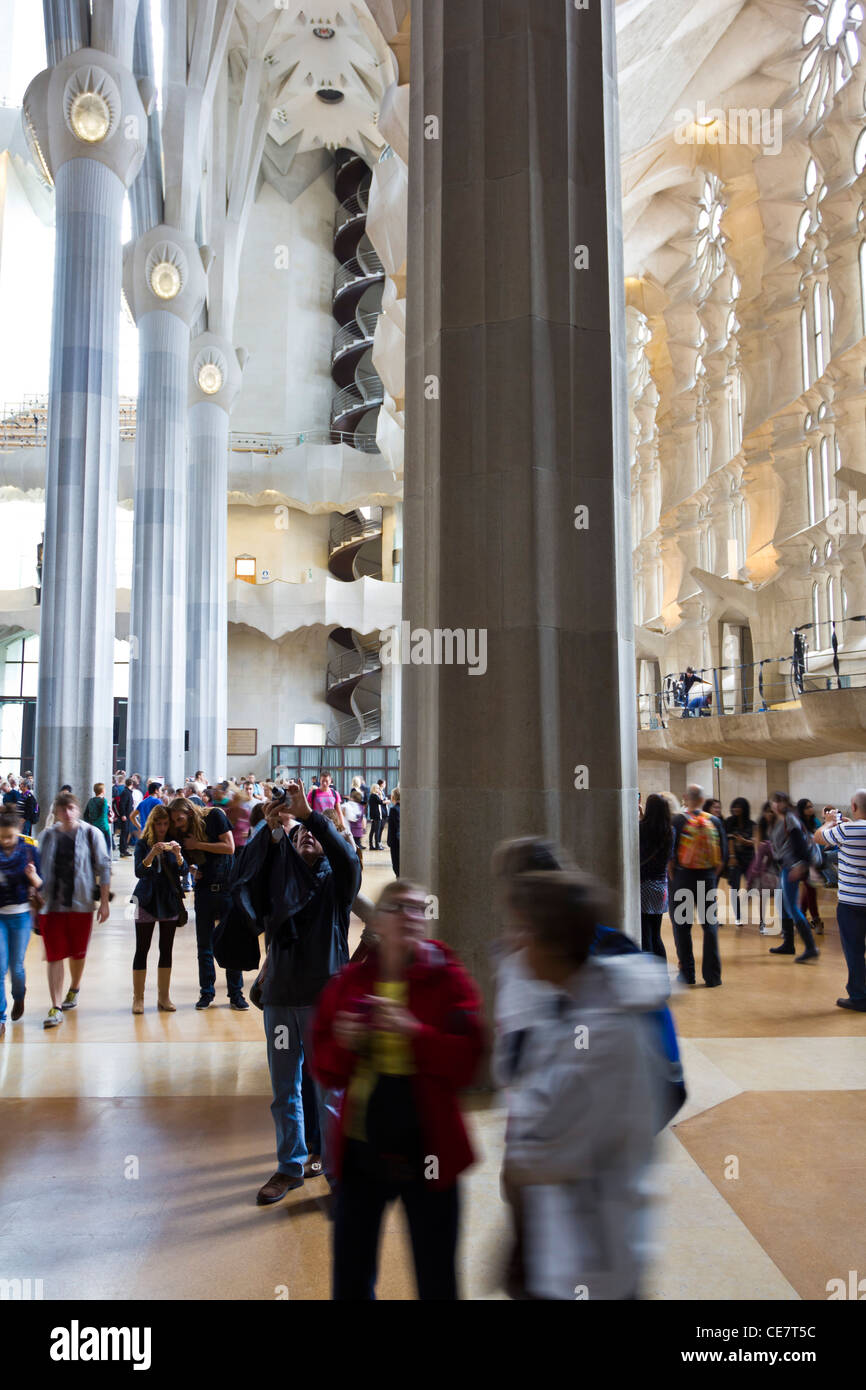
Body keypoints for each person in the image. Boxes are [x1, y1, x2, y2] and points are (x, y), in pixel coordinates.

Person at [313, 878, 484, 1300]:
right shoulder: (350, 982)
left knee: (437, 1276)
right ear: (378, 923)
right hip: (362, 1153)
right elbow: (323, 1066)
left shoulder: (445, 975)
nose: (411, 917)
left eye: (419, 909)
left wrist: (415, 1033)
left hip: (430, 1150)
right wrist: (345, 1045)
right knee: (351, 1278)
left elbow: (471, 1061)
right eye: (400, 908)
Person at [498, 869, 664, 1300]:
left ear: (546, 939)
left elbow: (540, 1153)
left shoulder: (603, 1034)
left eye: (522, 929)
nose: (513, 942)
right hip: (563, 1241)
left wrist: (520, 1159)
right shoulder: (569, 1002)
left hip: (592, 1260)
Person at [247, 780, 361, 1206]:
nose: (306, 837)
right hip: (279, 1000)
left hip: (321, 1001)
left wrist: (310, 815)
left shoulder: (337, 889)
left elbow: (347, 859)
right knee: (284, 1089)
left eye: (312, 833)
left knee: (329, 1090)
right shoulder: (278, 887)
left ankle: (335, 1171)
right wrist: (271, 826)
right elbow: (250, 871)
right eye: (299, 836)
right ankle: (290, 1166)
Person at [37, 792, 111, 1028]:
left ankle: (75, 987)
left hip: (81, 905)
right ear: (56, 812)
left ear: (78, 809)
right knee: (55, 955)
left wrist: (106, 903)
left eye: (71, 808)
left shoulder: (91, 833)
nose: (67, 813)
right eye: (62, 809)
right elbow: (38, 869)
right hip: (51, 906)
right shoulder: (47, 836)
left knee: (78, 953)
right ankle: (55, 1006)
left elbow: (104, 866)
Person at [168, 796, 246, 1010]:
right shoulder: (183, 832)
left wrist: (197, 844)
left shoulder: (215, 816)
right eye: (174, 821)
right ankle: (206, 993)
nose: (177, 824)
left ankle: (236, 994)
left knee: (230, 943)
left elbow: (229, 847)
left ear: (190, 813)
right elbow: (190, 861)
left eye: (179, 819)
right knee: (204, 945)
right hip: (204, 892)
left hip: (227, 890)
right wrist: (193, 868)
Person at [668, 784, 727, 987]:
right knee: (709, 926)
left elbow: (671, 855)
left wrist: (674, 877)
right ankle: (713, 976)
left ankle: (687, 974)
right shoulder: (715, 821)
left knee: (682, 928)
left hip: (683, 878)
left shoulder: (677, 821)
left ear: (685, 798)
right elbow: (723, 857)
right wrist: (711, 875)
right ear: (703, 800)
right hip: (707, 878)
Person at [131, 804, 187, 1013]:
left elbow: (182, 871)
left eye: (165, 824)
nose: (162, 828)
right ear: (152, 824)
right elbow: (139, 872)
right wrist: (152, 854)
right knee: (142, 948)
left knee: (166, 949)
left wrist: (179, 854)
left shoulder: (174, 843)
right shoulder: (142, 844)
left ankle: (164, 997)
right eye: (159, 824)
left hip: (169, 899)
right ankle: (138, 998)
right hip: (145, 899)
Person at [814, 794, 866, 1011]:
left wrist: (828, 822)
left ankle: (859, 996)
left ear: (853, 806)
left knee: (854, 950)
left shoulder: (846, 831)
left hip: (851, 903)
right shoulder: (850, 828)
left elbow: (818, 838)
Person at [0, 811, 41, 1036]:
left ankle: (19, 995)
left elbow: (40, 882)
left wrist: (33, 876)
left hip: (21, 914)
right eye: (2, 837)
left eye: (10, 837)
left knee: (15, 967)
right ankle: (0, 1016)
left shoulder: (29, 851)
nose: (6, 842)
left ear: (18, 832)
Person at [768, 792, 819, 963]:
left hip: (793, 867)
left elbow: (800, 843)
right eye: (775, 801)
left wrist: (802, 865)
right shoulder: (780, 820)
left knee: (792, 907)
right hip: (785, 867)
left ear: (786, 803)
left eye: (780, 801)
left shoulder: (790, 819)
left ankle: (811, 947)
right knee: (783, 905)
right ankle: (788, 944)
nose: (777, 804)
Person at [639, 793, 672, 960]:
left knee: (646, 934)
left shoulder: (641, 828)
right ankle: (663, 978)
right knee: (656, 934)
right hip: (661, 886)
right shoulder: (669, 831)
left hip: (644, 885)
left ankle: (649, 979)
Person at [724, 797, 755, 926]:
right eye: (734, 806)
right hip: (735, 860)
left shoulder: (752, 824)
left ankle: (744, 904)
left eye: (739, 806)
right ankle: (738, 916)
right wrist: (731, 857)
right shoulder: (729, 822)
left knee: (751, 887)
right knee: (734, 887)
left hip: (749, 859)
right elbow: (729, 840)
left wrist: (745, 842)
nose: (736, 809)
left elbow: (755, 841)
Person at [796, 798, 824, 934]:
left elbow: (821, 837)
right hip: (803, 861)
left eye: (811, 806)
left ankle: (800, 917)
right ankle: (816, 919)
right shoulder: (798, 824)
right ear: (801, 810)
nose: (811, 809)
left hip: (815, 859)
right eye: (807, 807)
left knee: (809, 890)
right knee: (811, 890)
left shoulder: (815, 822)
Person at [83, 782, 112, 856]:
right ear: (102, 790)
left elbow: (85, 814)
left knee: (94, 847)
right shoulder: (104, 801)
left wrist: (89, 823)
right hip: (104, 827)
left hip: (93, 827)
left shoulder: (91, 801)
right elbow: (104, 814)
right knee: (106, 847)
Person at [343, 789, 366, 868]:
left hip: (351, 831)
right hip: (359, 831)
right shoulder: (361, 807)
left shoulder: (348, 806)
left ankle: (351, 864)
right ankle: (359, 863)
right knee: (358, 849)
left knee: (350, 848)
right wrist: (364, 829)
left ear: (352, 798)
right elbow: (362, 819)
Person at [115, 777, 135, 857]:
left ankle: (124, 849)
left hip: (128, 815)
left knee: (126, 832)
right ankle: (122, 850)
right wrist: (123, 814)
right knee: (124, 833)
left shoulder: (128, 792)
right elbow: (122, 804)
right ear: (131, 784)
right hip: (126, 816)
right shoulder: (126, 792)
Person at [367, 780, 387, 850]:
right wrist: (381, 794)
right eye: (378, 788)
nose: (379, 790)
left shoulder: (372, 796)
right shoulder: (374, 796)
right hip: (377, 815)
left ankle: (371, 845)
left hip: (374, 815)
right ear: (374, 789)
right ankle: (377, 846)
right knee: (376, 831)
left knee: (373, 830)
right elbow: (381, 802)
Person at [387, 788, 400, 876]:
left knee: (396, 866)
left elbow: (396, 827)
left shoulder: (394, 809)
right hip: (399, 841)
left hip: (395, 842)